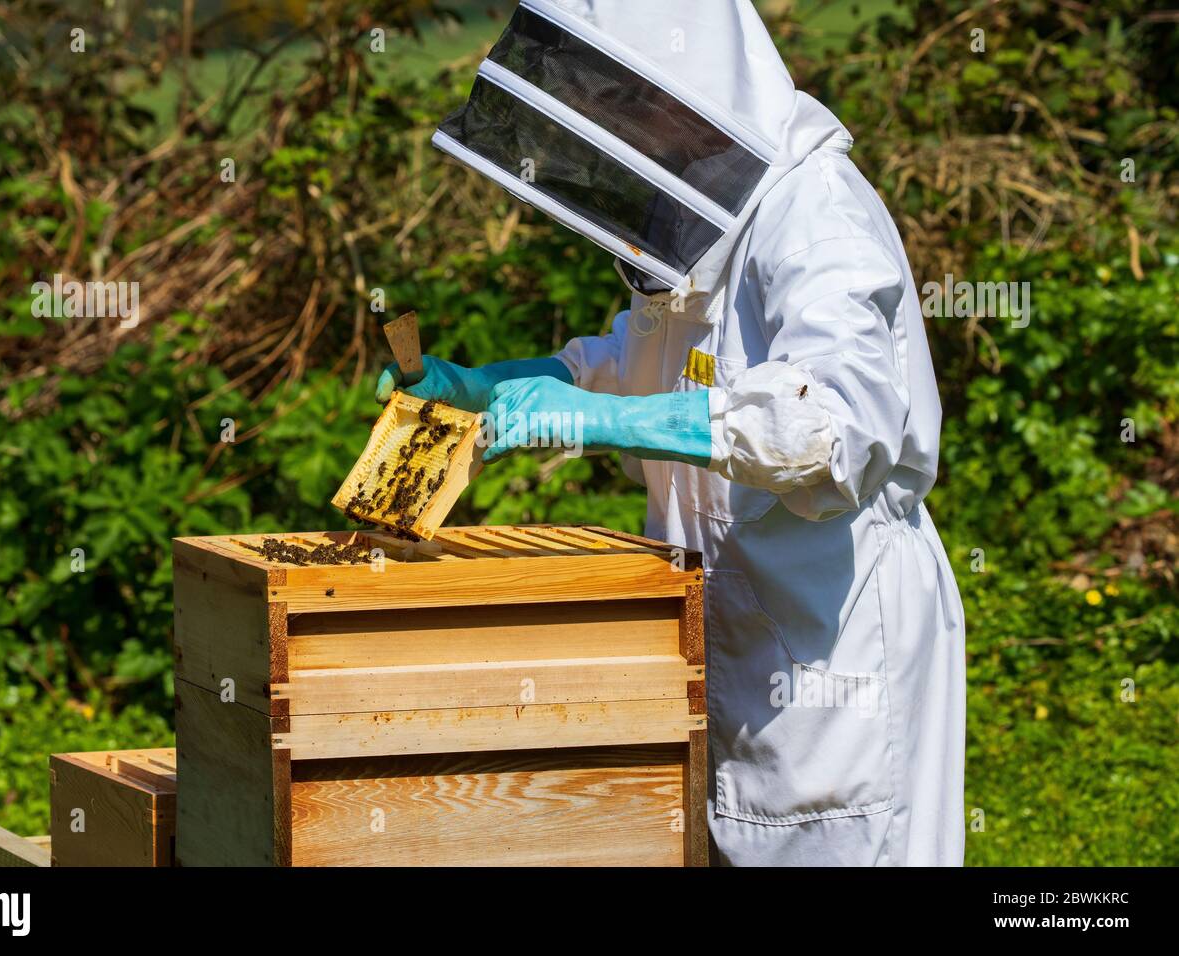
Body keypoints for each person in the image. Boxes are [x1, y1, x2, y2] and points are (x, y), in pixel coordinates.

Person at [376, 0, 965, 866]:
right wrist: (487, 385)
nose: (612, 123)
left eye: (622, 99)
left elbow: (836, 426)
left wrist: (604, 421)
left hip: (833, 644)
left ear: (686, 85)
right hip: (727, 624)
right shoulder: (700, 217)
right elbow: (637, 358)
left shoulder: (816, 214)